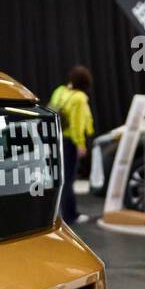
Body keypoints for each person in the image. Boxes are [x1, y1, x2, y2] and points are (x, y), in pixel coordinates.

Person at [48, 65, 95, 225]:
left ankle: (58, 212)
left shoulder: (59, 91)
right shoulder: (79, 98)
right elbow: (77, 124)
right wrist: (80, 144)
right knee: (68, 179)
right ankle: (70, 215)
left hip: (56, 139)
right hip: (69, 141)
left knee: (58, 178)